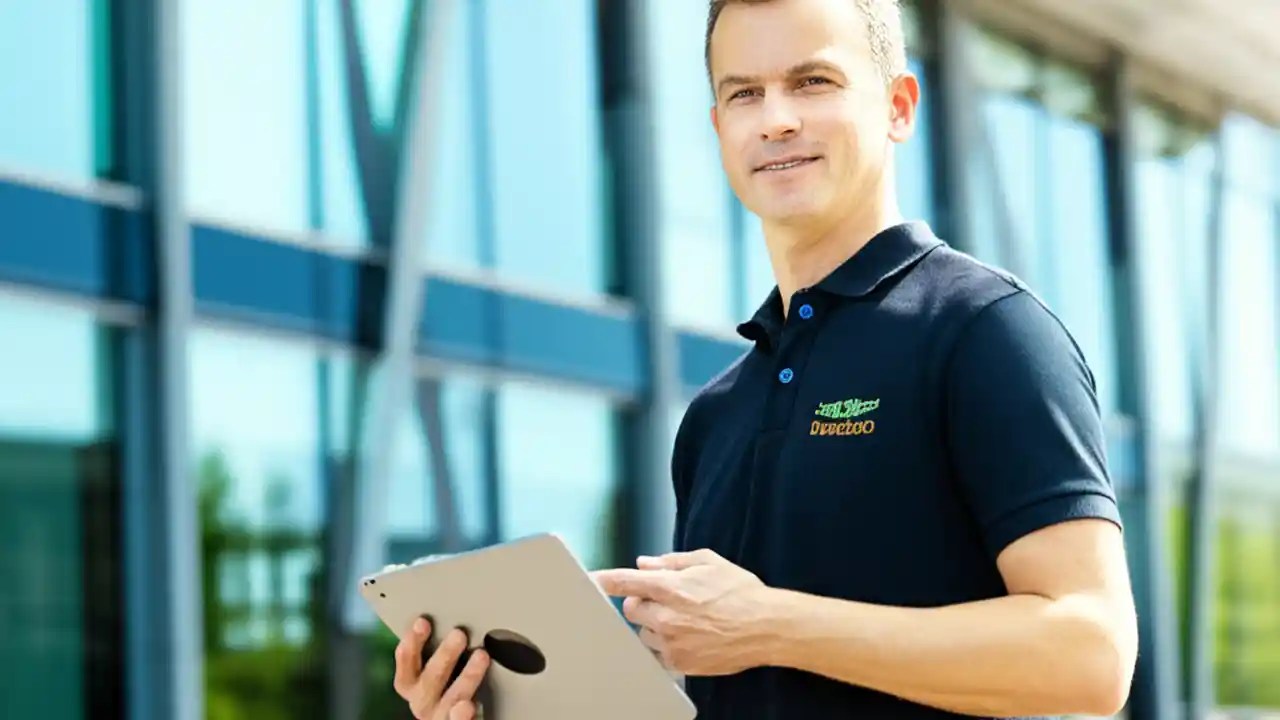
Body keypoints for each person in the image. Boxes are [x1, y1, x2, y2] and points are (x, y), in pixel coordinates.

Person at [391, 0, 1139, 717]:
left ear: (899, 107)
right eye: (744, 94)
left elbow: (1093, 652)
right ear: (720, 128)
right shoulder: (716, 413)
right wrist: (507, 706)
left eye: (812, 82)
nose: (776, 119)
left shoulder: (985, 331)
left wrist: (773, 624)